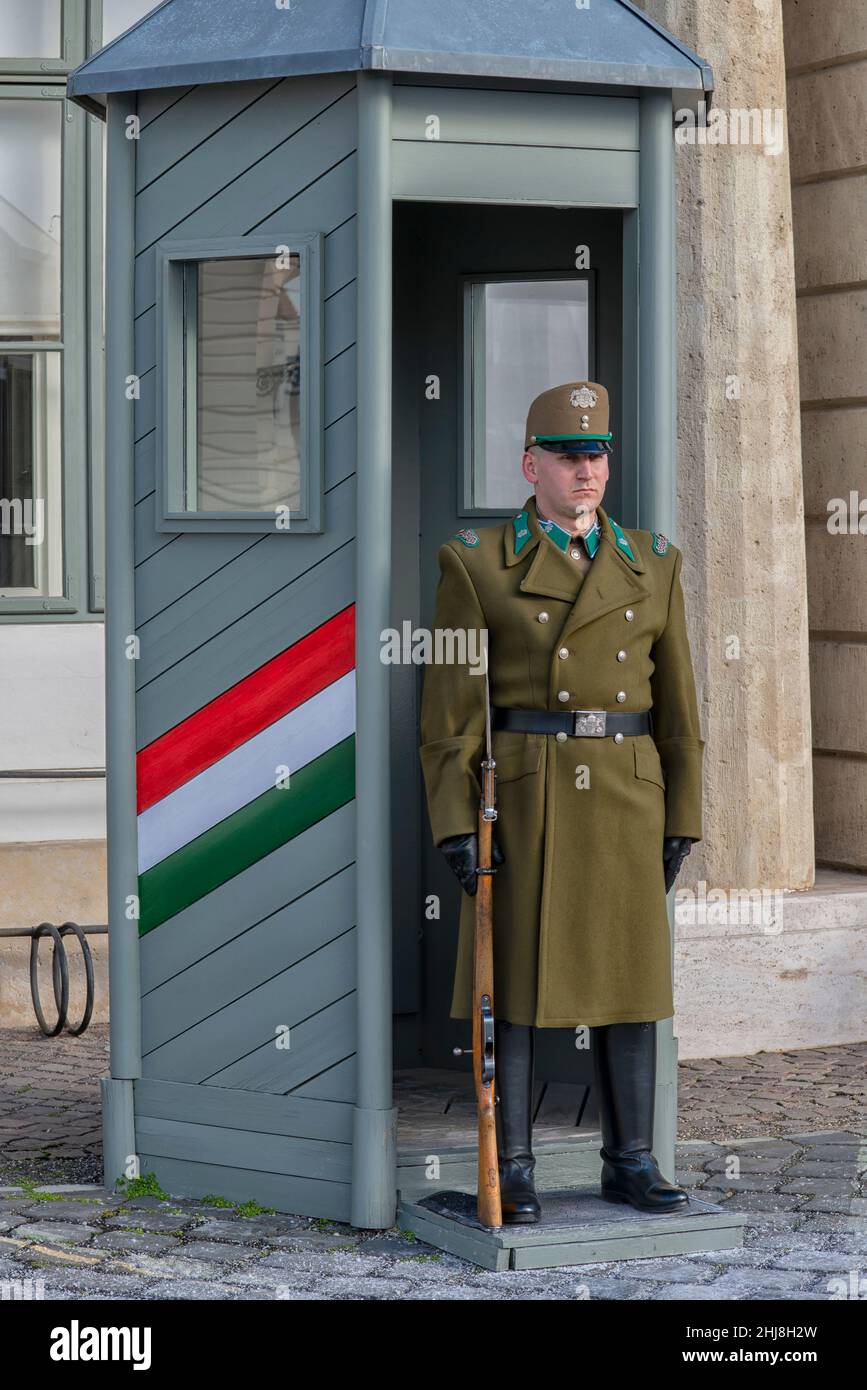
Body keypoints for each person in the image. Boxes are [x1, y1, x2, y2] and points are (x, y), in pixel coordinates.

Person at [419, 381, 704, 1223]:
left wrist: (682, 812)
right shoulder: (474, 562)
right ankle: (512, 1168)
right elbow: (449, 714)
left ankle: (632, 1161)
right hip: (527, 794)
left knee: (631, 980)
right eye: (568, 457)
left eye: (597, 456)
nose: (587, 472)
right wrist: (451, 826)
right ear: (529, 465)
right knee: (509, 985)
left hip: (625, 789)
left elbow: (679, 707)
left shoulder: (652, 561)